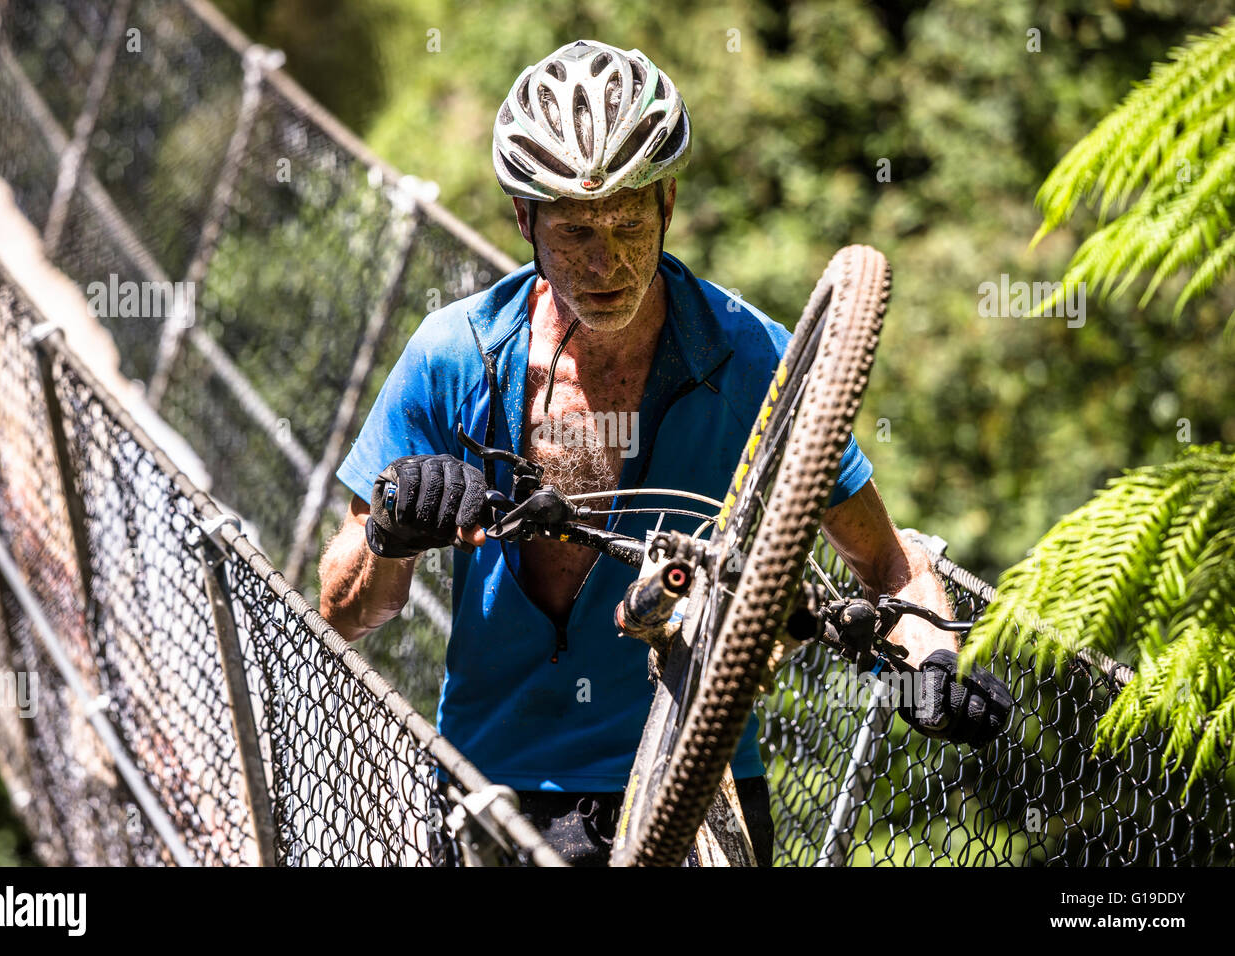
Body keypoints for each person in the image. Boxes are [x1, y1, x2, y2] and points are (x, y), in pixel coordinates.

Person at [319, 39, 1011, 866]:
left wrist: (930, 665)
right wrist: (395, 525)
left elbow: (891, 570)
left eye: (628, 222)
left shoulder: (754, 360)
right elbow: (347, 611)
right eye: (576, 230)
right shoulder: (452, 356)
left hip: (699, 783)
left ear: (669, 202)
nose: (606, 262)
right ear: (523, 218)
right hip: (495, 784)